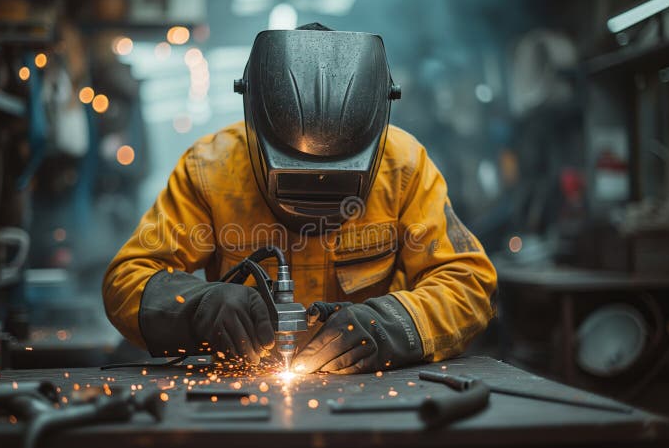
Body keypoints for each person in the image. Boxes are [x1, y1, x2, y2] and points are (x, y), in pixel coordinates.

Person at [102, 24, 497, 374]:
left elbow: (470, 284)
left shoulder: (403, 166)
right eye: (294, 175)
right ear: (254, 115)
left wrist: (393, 326)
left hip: (368, 387)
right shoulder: (211, 168)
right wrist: (202, 307)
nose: (317, 188)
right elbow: (126, 282)